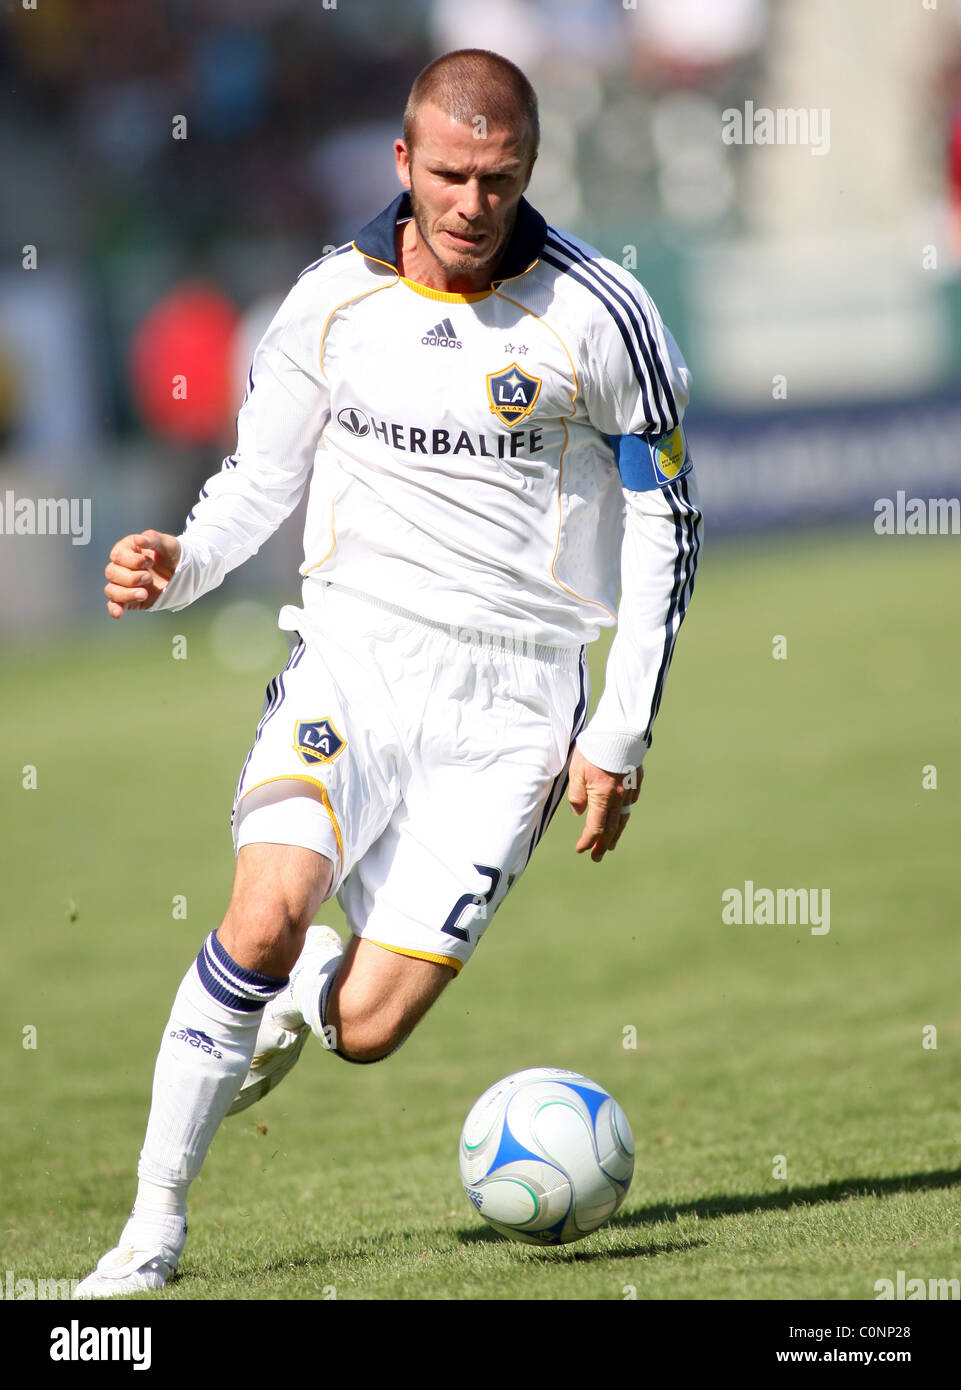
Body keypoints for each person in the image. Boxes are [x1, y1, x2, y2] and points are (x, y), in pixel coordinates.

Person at [76, 48, 702, 1298]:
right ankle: (148, 1234)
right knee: (259, 914)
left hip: (516, 705)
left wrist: (617, 735)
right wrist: (181, 561)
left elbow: (665, 524)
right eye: (455, 175)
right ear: (403, 162)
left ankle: (310, 980)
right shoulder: (325, 301)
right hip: (352, 662)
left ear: (532, 170)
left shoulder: (605, 316)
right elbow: (259, 479)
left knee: (362, 1028)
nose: (475, 203)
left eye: (504, 178)